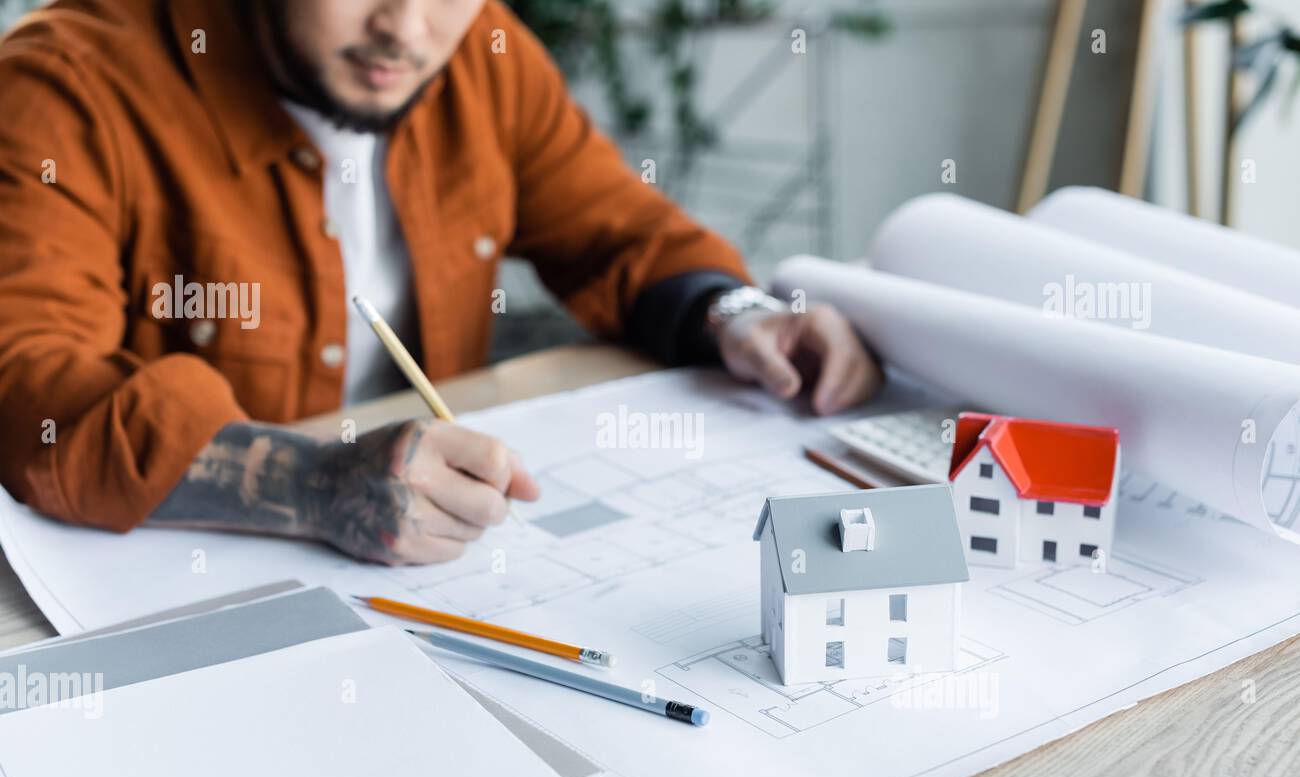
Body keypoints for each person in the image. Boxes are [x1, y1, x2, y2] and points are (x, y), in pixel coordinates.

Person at [0, 0, 880, 565]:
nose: (408, 30)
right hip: (175, 584)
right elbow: (25, 380)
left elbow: (622, 230)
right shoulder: (67, 85)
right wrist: (313, 482)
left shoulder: (484, 55)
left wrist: (738, 312)